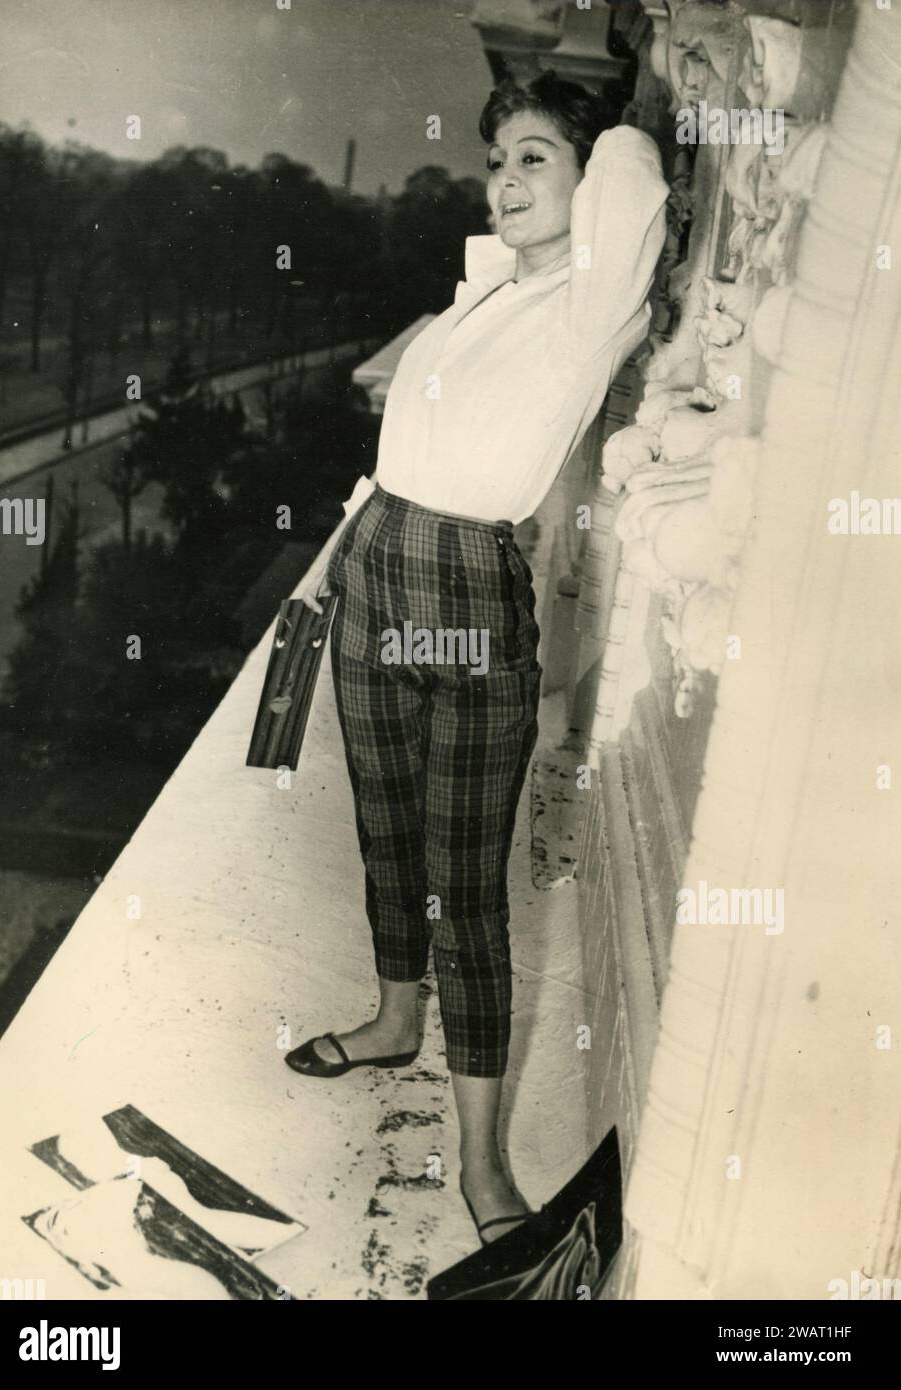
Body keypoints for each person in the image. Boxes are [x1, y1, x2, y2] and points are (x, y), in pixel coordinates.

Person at [286, 71, 669, 1246]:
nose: (504, 180)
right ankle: (394, 1015)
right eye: (495, 160)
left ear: (582, 178)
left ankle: (484, 1170)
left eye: (533, 160)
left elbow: (635, 170)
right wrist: (331, 567)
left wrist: (591, 126)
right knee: (386, 825)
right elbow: (410, 449)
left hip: (467, 591)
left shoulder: (595, 297)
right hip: (376, 565)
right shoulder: (489, 292)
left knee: (464, 882)